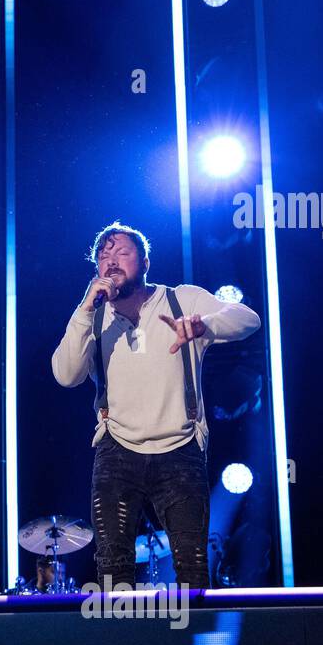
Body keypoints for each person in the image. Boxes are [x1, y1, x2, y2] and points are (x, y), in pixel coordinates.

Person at [52, 221, 261, 591]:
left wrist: (203, 326)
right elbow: (65, 375)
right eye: (103, 255)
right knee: (113, 567)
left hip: (180, 449)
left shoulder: (182, 299)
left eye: (122, 253)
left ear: (145, 263)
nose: (111, 261)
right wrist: (84, 309)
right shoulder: (93, 318)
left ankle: (185, 643)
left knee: (193, 566)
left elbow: (249, 319)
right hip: (116, 448)